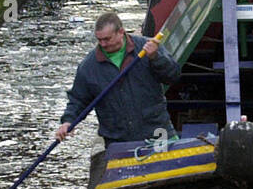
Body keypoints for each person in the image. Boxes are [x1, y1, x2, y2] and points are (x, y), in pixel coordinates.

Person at [54, 11, 181, 145]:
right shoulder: (89, 67)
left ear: (121, 32)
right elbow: (78, 99)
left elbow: (173, 76)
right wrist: (68, 121)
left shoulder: (148, 49)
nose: (102, 44)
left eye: (107, 39)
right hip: (118, 140)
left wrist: (156, 58)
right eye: (99, 40)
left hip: (156, 132)